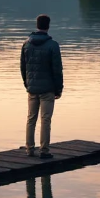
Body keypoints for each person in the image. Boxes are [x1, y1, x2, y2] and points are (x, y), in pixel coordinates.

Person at [21, 14, 63, 158]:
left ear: (37, 25)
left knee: (31, 118)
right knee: (45, 119)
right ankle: (44, 151)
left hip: (32, 88)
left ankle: (30, 149)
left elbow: (23, 67)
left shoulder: (26, 44)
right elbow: (57, 70)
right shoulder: (53, 45)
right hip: (48, 89)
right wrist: (59, 89)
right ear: (48, 26)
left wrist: (27, 84)